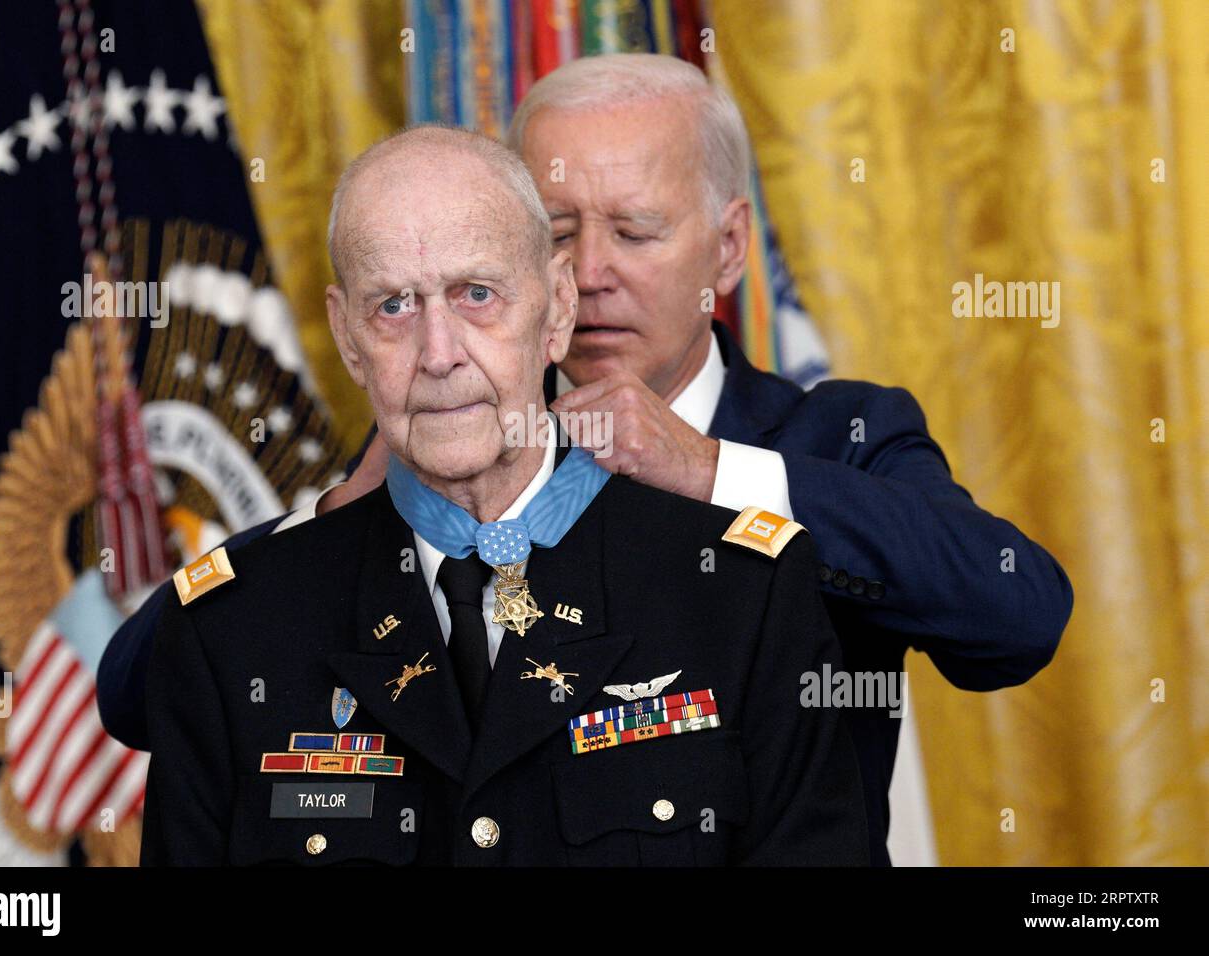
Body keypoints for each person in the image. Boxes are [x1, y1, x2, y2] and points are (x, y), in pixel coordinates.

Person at [109, 54, 1072, 865]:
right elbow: (149, 688)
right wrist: (346, 511)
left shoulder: (829, 437)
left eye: (637, 231)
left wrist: (704, 471)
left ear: (730, 248)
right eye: (559, 232)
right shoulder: (429, 422)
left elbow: (1018, 614)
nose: (594, 270)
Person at [140, 126, 868, 866]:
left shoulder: (741, 596)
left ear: (556, 308)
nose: (438, 354)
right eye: (393, 306)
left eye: (477, 295)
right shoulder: (232, 630)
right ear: (348, 336)